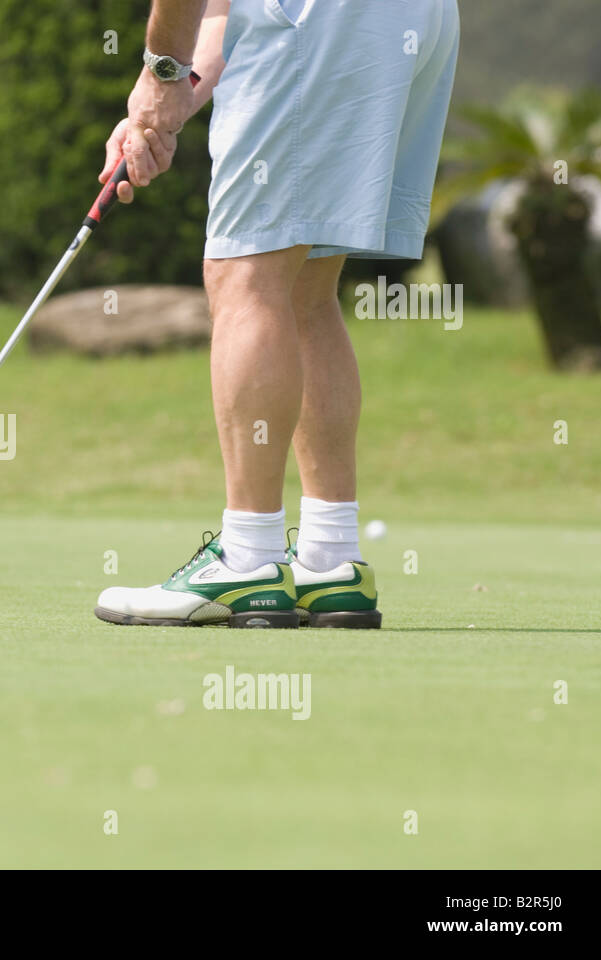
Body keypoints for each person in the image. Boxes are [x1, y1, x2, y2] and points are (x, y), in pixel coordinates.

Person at [93, 0, 459, 629]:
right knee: (305, 287)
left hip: (312, 19)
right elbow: (221, 13)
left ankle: (249, 558)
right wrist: (168, 98)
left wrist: (160, 71)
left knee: (246, 276)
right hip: (407, 21)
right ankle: (330, 559)